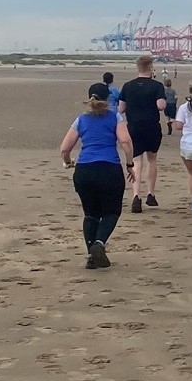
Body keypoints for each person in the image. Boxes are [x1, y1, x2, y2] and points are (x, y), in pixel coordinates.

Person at [59, 81, 134, 267]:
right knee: (111, 212)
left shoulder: (81, 119)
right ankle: (99, 243)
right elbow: (125, 142)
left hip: (84, 170)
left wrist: (68, 162)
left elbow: (64, 148)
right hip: (109, 169)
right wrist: (130, 163)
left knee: (90, 214)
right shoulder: (114, 117)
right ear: (108, 98)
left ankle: (92, 256)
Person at [118, 54, 168, 213]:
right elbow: (161, 106)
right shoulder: (157, 86)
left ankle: (135, 195)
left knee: (136, 161)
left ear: (138, 68)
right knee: (152, 160)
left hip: (134, 126)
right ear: (151, 68)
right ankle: (150, 193)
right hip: (151, 126)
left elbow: (121, 109)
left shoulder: (127, 86)